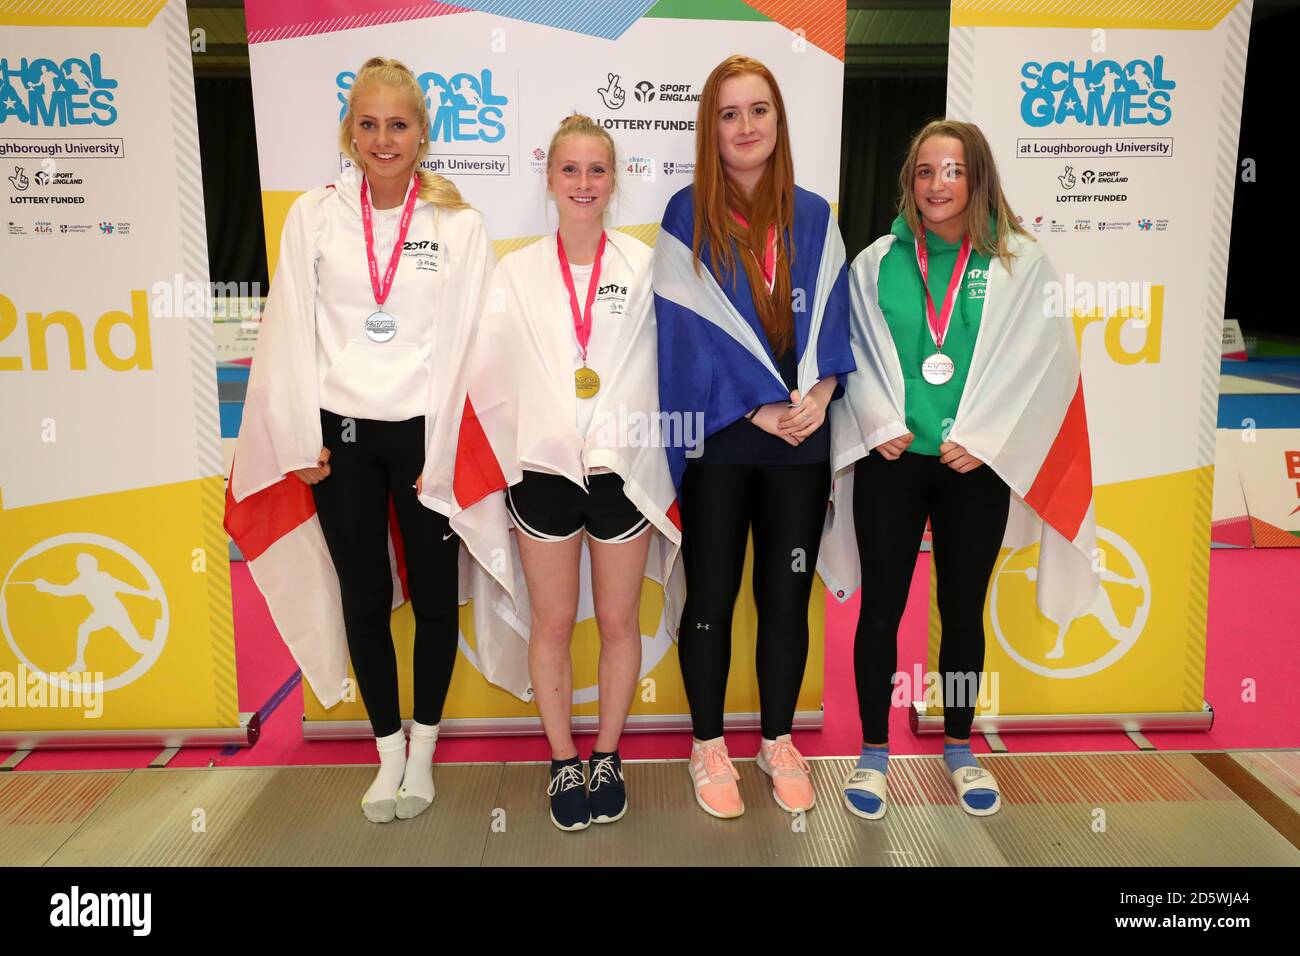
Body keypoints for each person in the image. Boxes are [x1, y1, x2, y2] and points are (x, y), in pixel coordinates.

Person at [227, 57, 495, 824]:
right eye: (368, 124)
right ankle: (386, 750)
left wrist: (447, 446)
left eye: (398, 124)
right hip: (339, 442)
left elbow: (477, 340)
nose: (383, 138)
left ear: (422, 135)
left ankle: (427, 749)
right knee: (364, 598)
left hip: (425, 437)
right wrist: (296, 434)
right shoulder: (313, 215)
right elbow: (288, 328)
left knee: (438, 598)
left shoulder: (458, 224)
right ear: (350, 131)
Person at [835, 119, 1097, 820]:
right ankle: (871, 754)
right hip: (894, 462)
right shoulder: (874, 262)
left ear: (977, 178)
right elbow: (849, 353)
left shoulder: (1019, 262)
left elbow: (1045, 363)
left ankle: (958, 746)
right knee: (881, 609)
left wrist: (988, 436)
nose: (937, 185)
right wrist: (878, 420)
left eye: (952, 171)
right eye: (925, 171)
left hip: (973, 466)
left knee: (961, 608)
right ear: (909, 182)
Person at [464, 114, 679, 831]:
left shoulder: (644, 266)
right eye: (570, 170)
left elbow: (667, 364)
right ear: (549, 179)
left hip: (622, 470)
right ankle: (562, 760)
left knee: (619, 622)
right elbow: (490, 375)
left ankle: (608, 753)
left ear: (614, 181)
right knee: (552, 622)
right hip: (545, 473)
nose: (584, 184)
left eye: (597, 170)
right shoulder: (517, 272)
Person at [654, 55, 854, 819]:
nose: (745, 127)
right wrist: (752, 409)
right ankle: (708, 746)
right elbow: (683, 337)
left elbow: (834, 318)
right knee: (710, 594)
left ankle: (776, 741)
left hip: (799, 442)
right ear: (712, 127)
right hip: (719, 442)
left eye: (758, 111)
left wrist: (826, 389)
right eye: (730, 114)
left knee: (785, 594)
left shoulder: (812, 214)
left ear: (778, 121)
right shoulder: (686, 214)